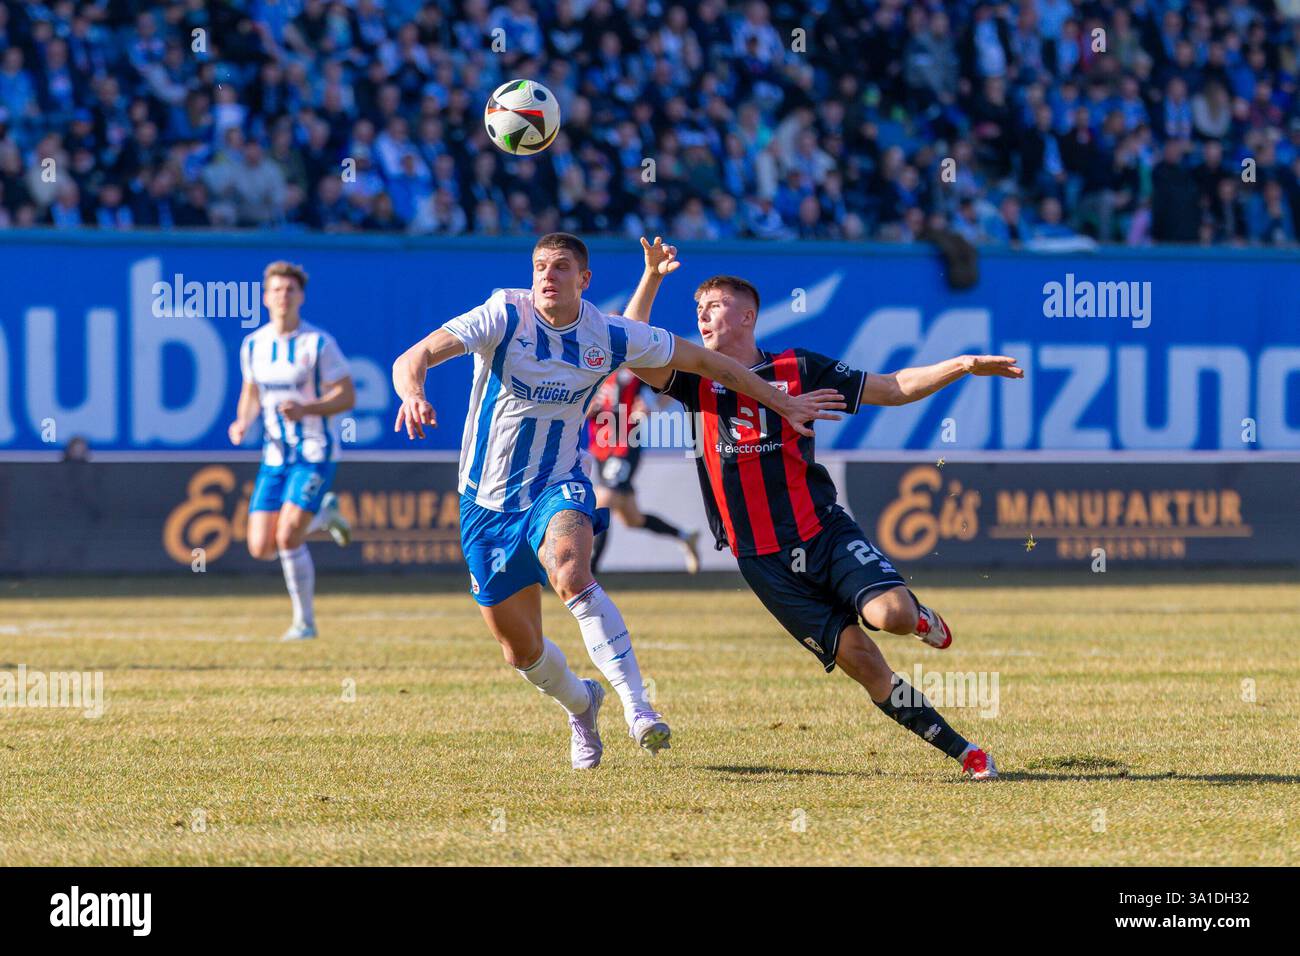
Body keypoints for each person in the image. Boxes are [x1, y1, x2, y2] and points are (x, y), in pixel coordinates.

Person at [390, 232, 844, 769]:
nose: (546, 276)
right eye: (539, 266)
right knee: (522, 652)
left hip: (557, 482)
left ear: (584, 280)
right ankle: (583, 705)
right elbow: (413, 356)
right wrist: (413, 392)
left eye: (560, 267)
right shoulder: (503, 315)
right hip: (484, 502)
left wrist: (780, 401)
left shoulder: (608, 334)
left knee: (571, 573)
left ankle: (638, 708)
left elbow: (709, 364)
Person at [624, 237, 1026, 780]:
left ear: (747, 315)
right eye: (697, 310)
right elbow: (631, 346)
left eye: (713, 306)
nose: (702, 316)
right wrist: (651, 277)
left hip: (821, 531)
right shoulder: (698, 378)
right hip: (761, 559)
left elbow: (894, 387)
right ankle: (965, 753)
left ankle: (922, 616)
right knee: (865, 665)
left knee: (895, 617)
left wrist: (963, 363)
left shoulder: (798, 367)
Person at [229, 261, 355, 641]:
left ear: (300, 296)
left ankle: (305, 623)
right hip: (274, 457)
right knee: (260, 546)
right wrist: (242, 422)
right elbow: (251, 393)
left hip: (314, 451)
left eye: (290, 290)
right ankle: (323, 516)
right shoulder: (253, 344)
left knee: (286, 537)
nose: (283, 296)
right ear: (266, 297)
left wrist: (307, 409)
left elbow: (347, 395)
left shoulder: (318, 344)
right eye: (276, 290)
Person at [587, 368, 701, 573]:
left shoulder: (633, 368)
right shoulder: (591, 368)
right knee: (633, 518)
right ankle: (685, 536)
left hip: (625, 445)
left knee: (602, 501)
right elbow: (582, 408)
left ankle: (589, 573)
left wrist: (652, 406)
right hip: (601, 448)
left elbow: (670, 386)